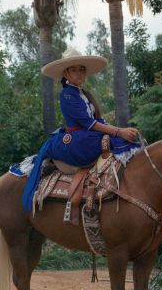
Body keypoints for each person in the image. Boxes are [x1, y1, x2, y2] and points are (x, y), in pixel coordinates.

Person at [18, 48, 141, 212]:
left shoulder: (82, 93)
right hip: (78, 139)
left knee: (122, 139)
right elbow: (89, 123)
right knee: (117, 140)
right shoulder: (67, 94)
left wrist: (117, 129)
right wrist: (119, 131)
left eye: (81, 69)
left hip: (87, 134)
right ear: (65, 74)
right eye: (74, 70)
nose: (79, 73)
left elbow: (97, 120)